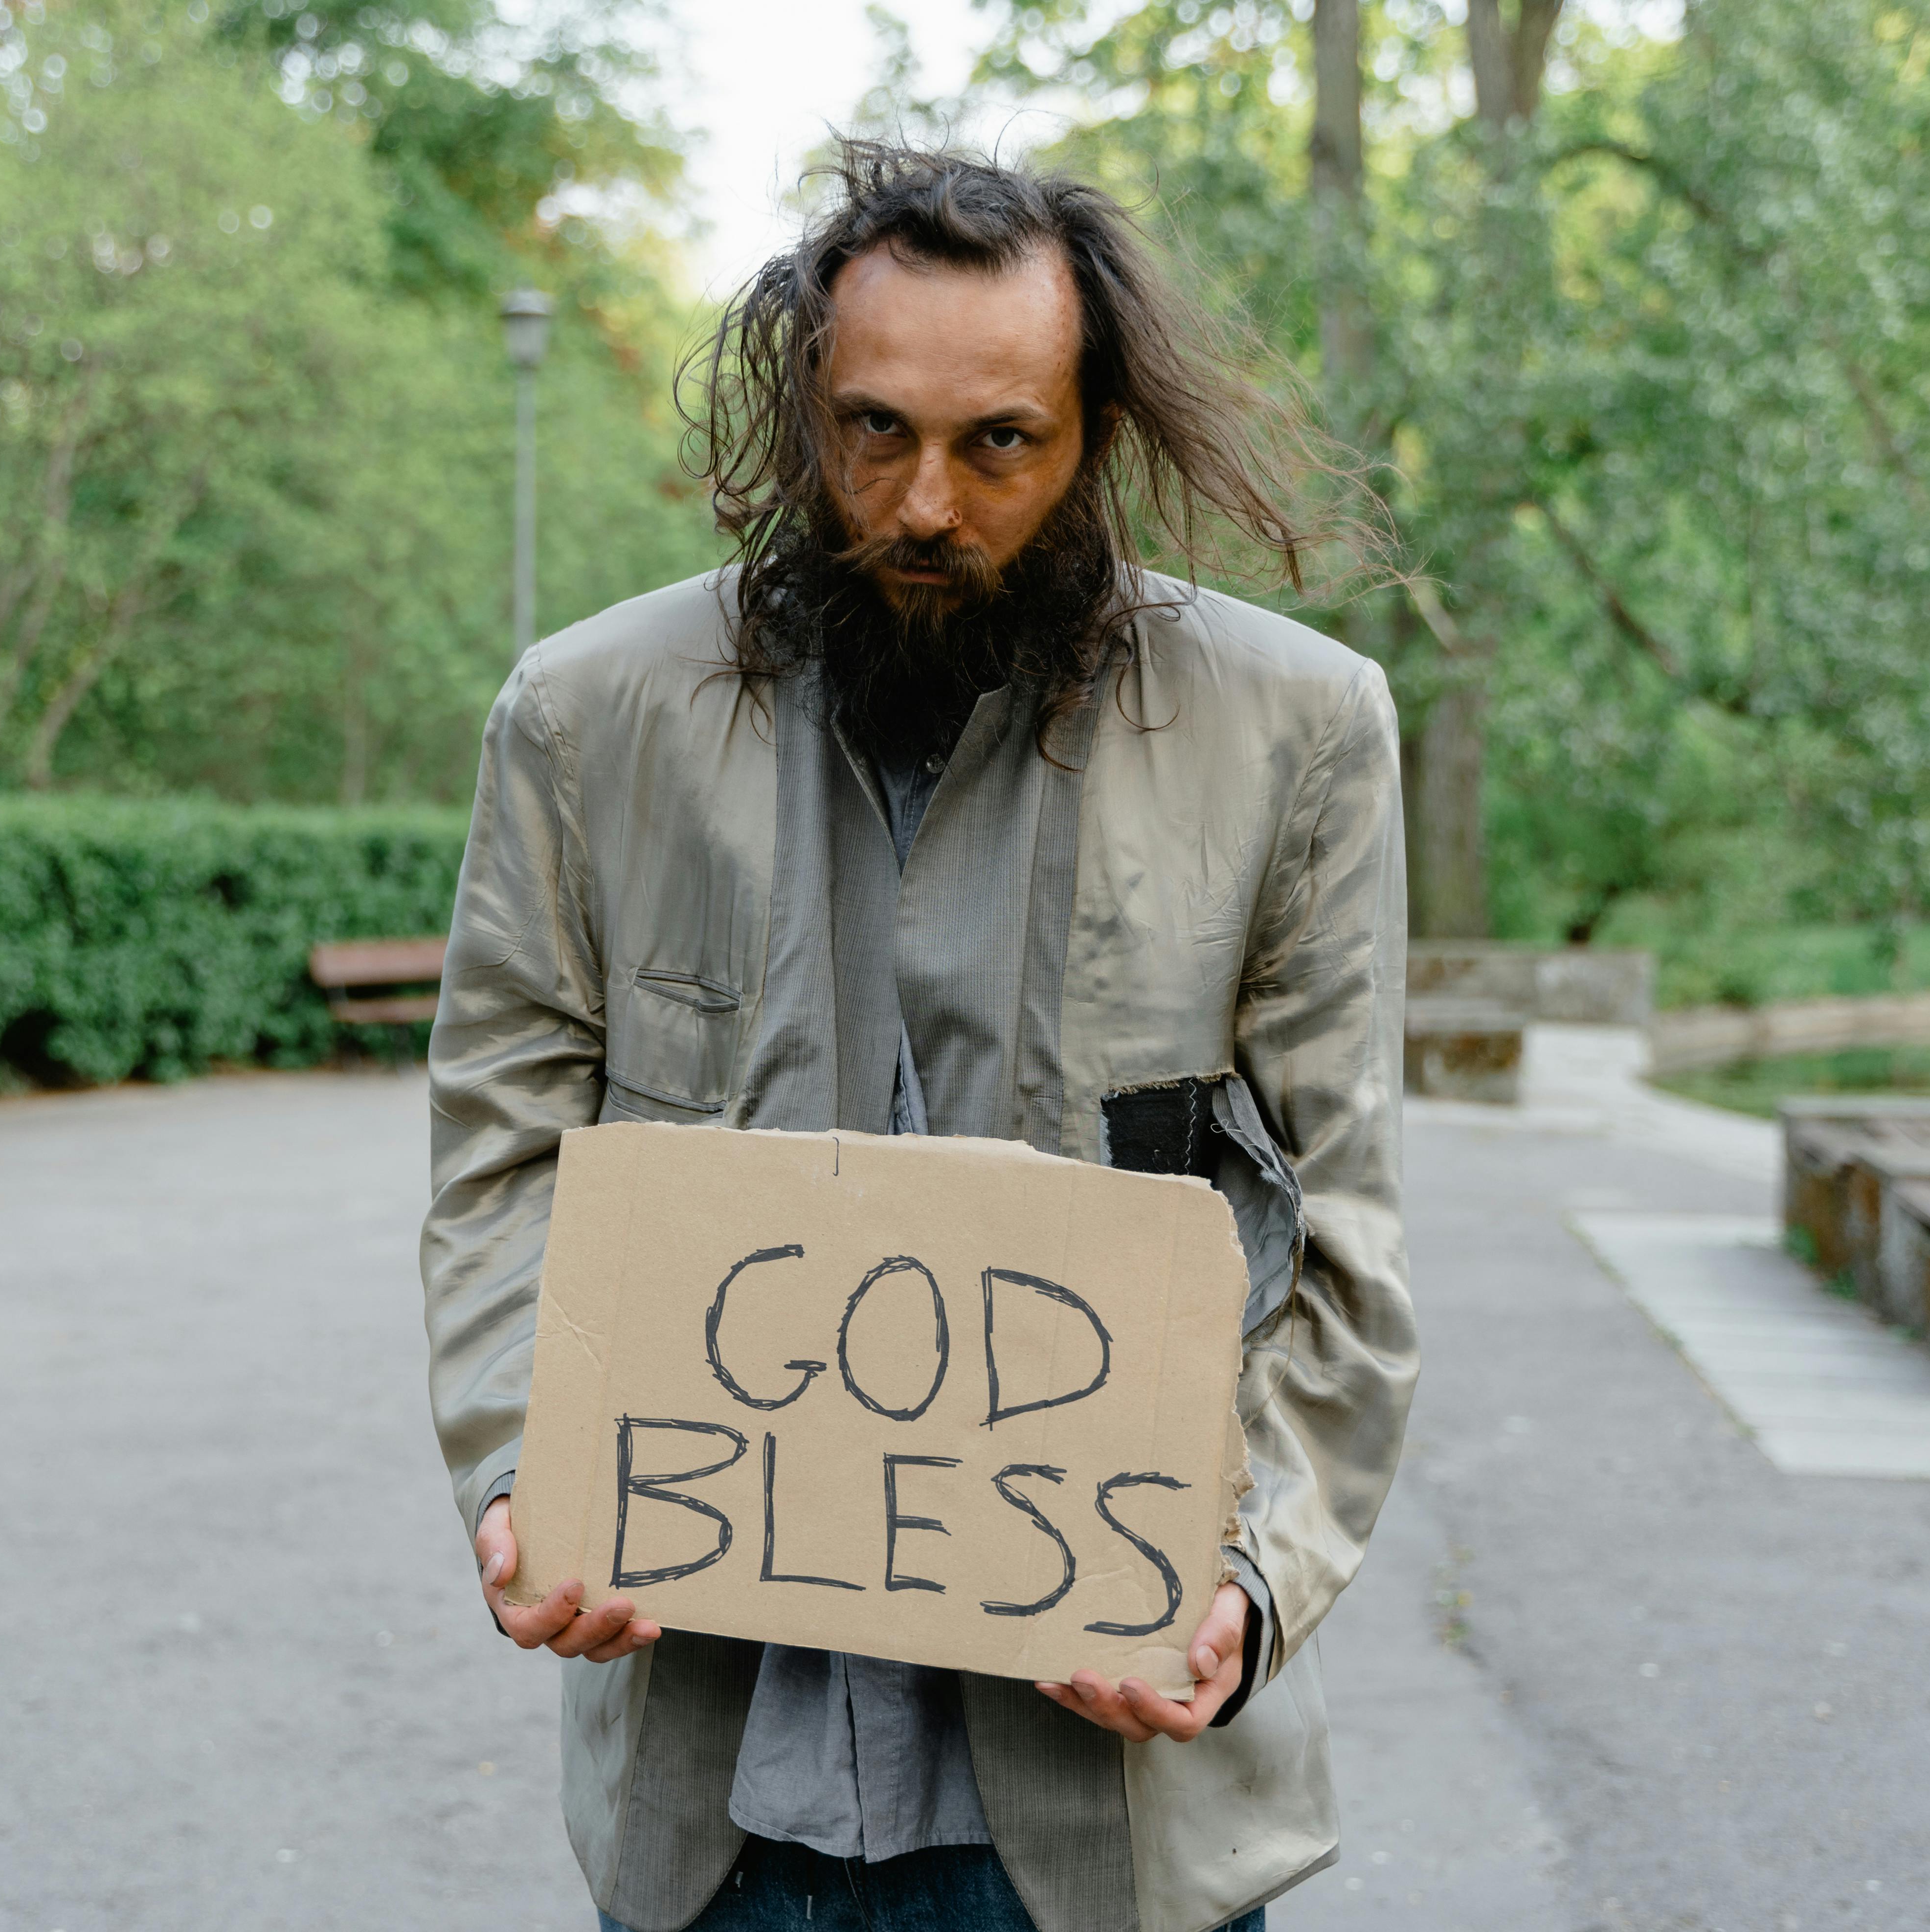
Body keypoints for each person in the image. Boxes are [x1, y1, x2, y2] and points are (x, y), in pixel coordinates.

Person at [422, 143, 1417, 1932]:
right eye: (873, 432)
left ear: (1094, 436)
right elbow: (501, 1166)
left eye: (999, 444)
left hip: (1117, 1822)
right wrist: (520, 1469)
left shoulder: (1301, 734)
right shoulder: (584, 722)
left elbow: (1342, 1244)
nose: (925, 504)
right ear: (806, 406)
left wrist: (1246, 1581)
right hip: (718, 1818)